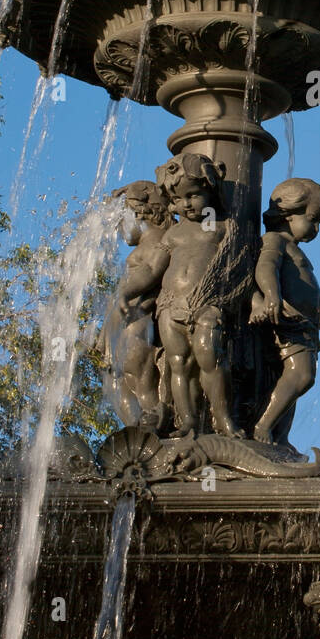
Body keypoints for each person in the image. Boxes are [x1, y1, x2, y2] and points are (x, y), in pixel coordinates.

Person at [119, 154, 248, 437]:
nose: (186, 204)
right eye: (178, 199)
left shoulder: (224, 227)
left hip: (207, 301)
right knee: (179, 363)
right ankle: (187, 421)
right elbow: (153, 267)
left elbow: (239, 267)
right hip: (170, 304)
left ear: (210, 189)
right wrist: (127, 290)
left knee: (209, 356)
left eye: (194, 195)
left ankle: (224, 419)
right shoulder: (173, 234)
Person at [250, 178, 320, 444]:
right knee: (301, 376)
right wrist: (271, 295)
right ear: (288, 212)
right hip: (287, 319)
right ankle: (262, 426)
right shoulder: (274, 241)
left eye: (319, 224)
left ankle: (279, 435)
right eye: (313, 219)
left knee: (292, 380)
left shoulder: (291, 246)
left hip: (303, 326)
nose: (315, 228)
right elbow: (265, 268)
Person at [99, 180, 173, 429]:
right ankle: (134, 429)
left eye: (122, 220)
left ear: (141, 212)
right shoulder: (145, 244)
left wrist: (125, 292)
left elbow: (151, 270)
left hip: (138, 321)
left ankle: (154, 421)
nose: (118, 229)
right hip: (123, 321)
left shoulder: (158, 240)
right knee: (118, 380)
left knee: (137, 375)